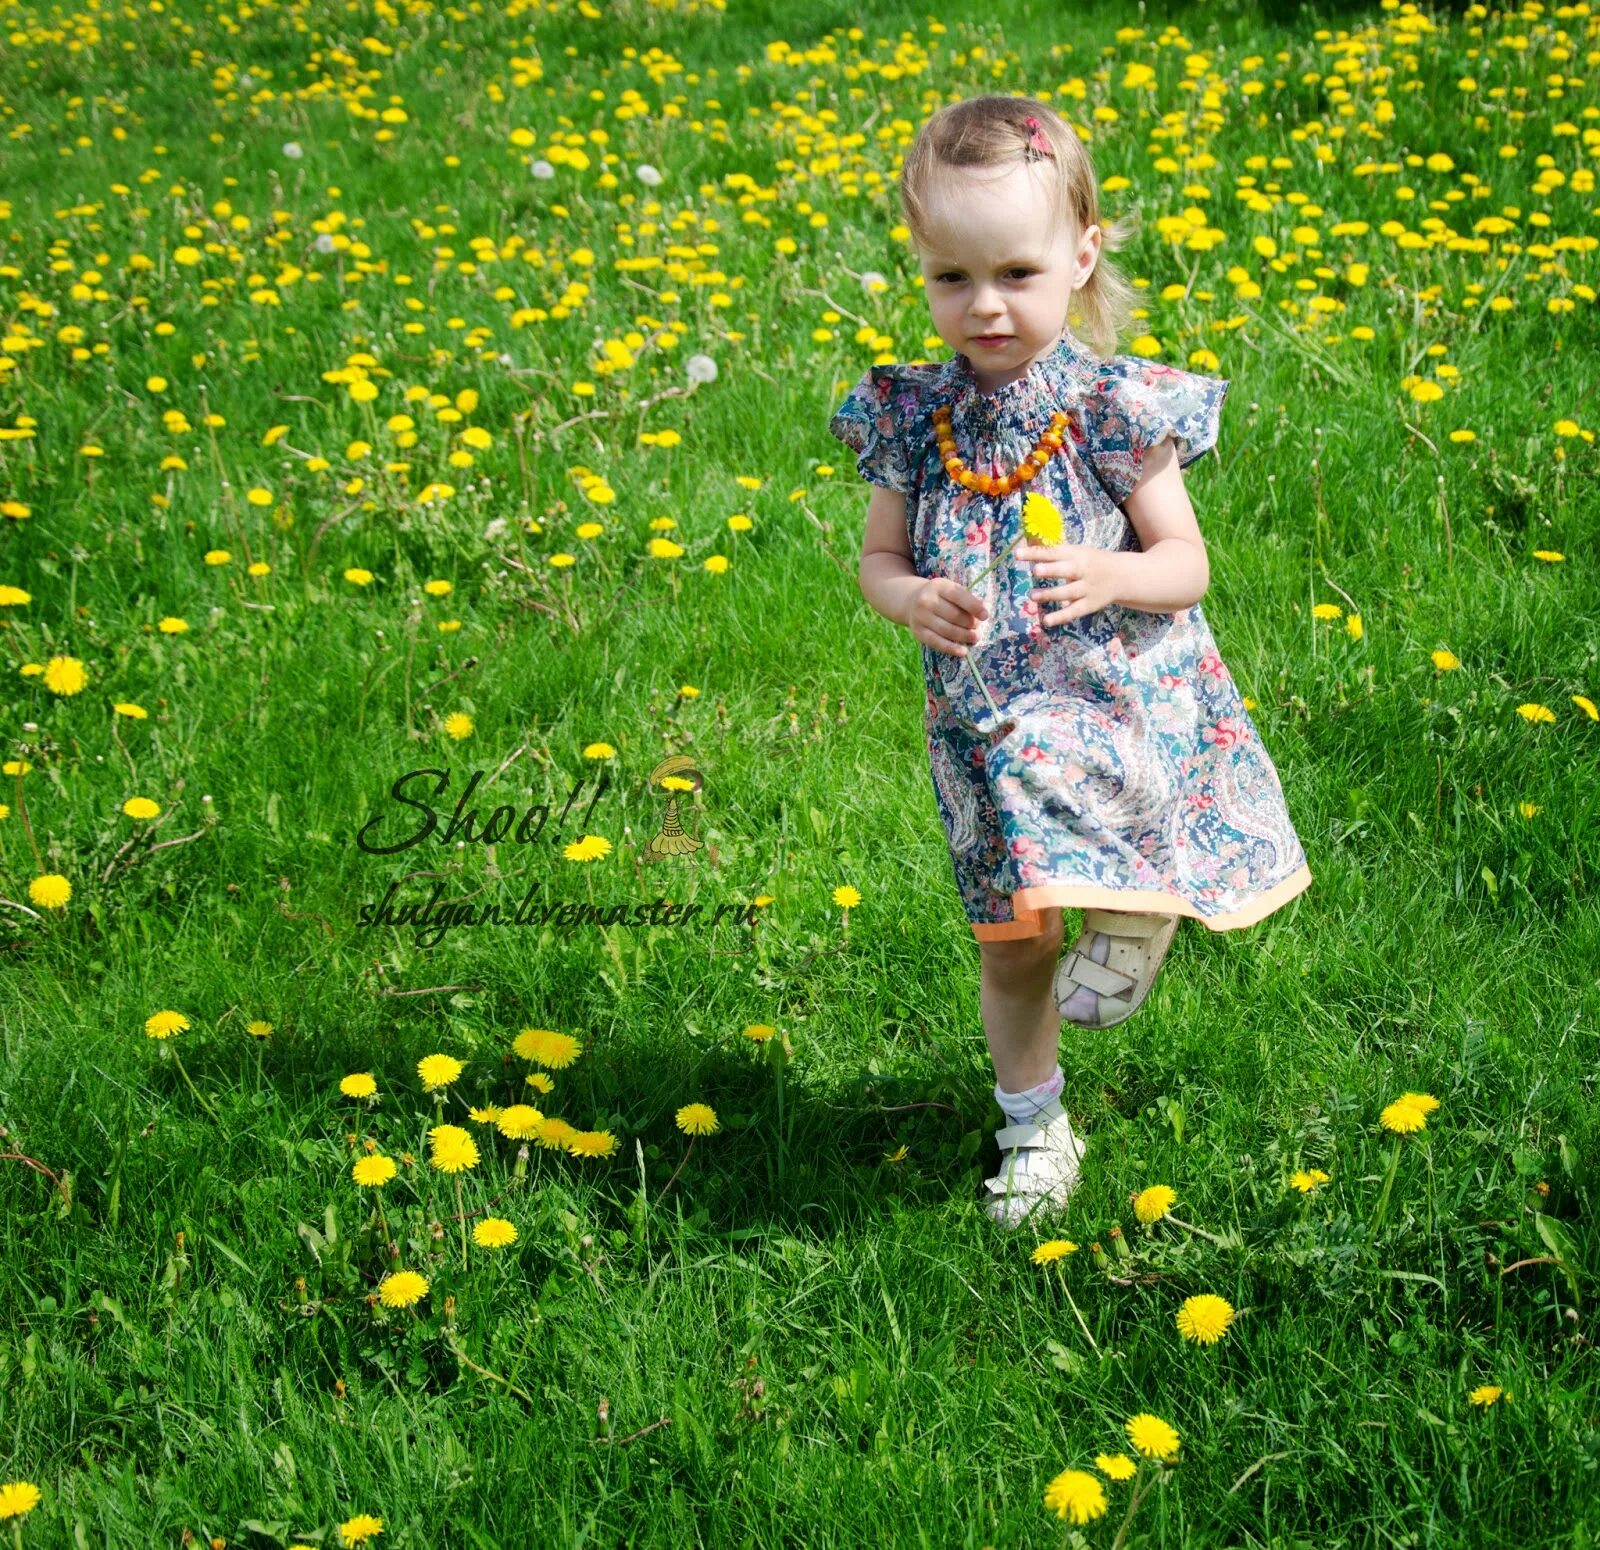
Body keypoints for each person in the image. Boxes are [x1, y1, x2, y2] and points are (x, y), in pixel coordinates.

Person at [827, 96, 1313, 1228]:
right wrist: (910, 598)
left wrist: (1112, 574)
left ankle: (1132, 911)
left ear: (1081, 254)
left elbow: (1186, 562)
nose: (983, 304)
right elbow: (877, 559)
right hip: (979, 729)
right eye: (951, 277)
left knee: (1065, 870)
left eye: (1015, 270)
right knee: (1010, 943)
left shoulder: (1109, 405)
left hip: (1102, 708)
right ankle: (1033, 1122)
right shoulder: (914, 414)